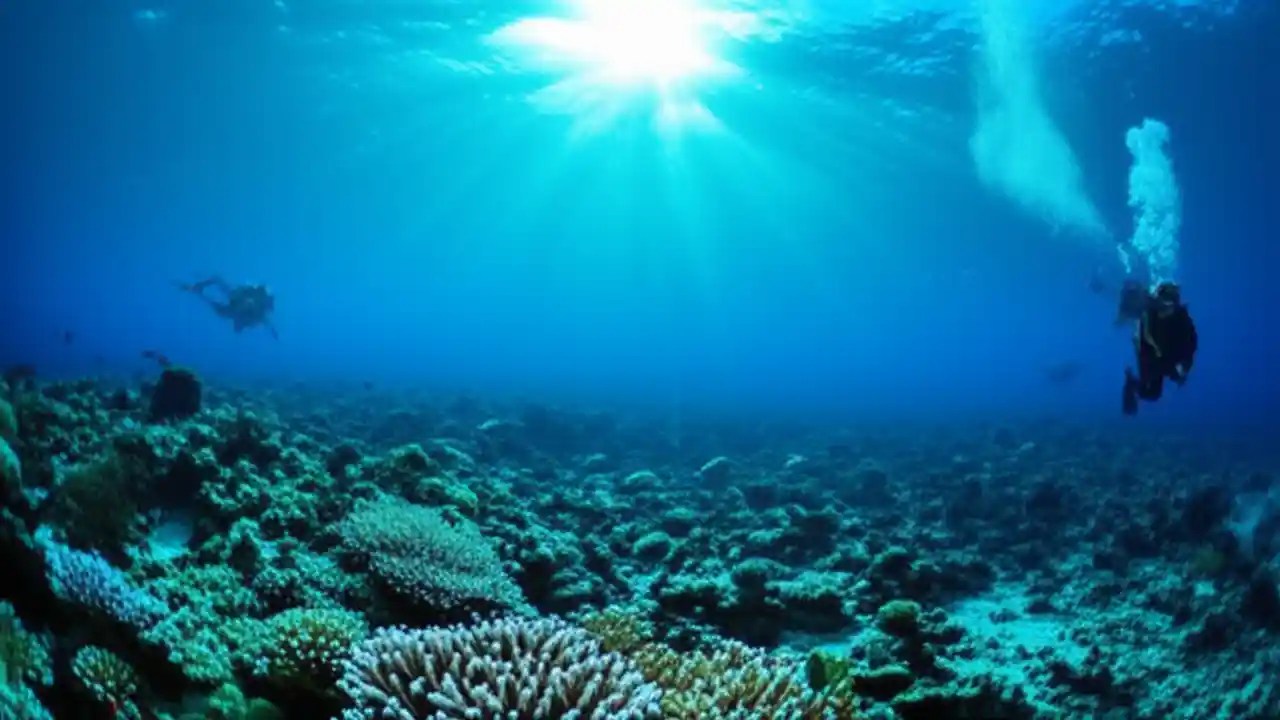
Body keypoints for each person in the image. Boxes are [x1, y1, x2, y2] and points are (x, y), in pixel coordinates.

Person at [1122, 281, 1197, 415]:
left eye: (1170, 302)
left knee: (1154, 394)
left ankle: (1133, 384)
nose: (1166, 306)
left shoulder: (1182, 320)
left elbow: (1190, 344)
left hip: (1168, 356)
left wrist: (1184, 367)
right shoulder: (1149, 315)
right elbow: (1143, 342)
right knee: (1151, 393)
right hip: (1149, 355)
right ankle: (1131, 383)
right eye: (1164, 301)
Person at [179, 276, 278, 339]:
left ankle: (196, 289)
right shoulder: (239, 299)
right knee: (217, 302)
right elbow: (217, 280)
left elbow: (268, 323)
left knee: (216, 303)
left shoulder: (254, 315)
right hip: (238, 301)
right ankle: (196, 289)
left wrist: (198, 287)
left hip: (238, 305)